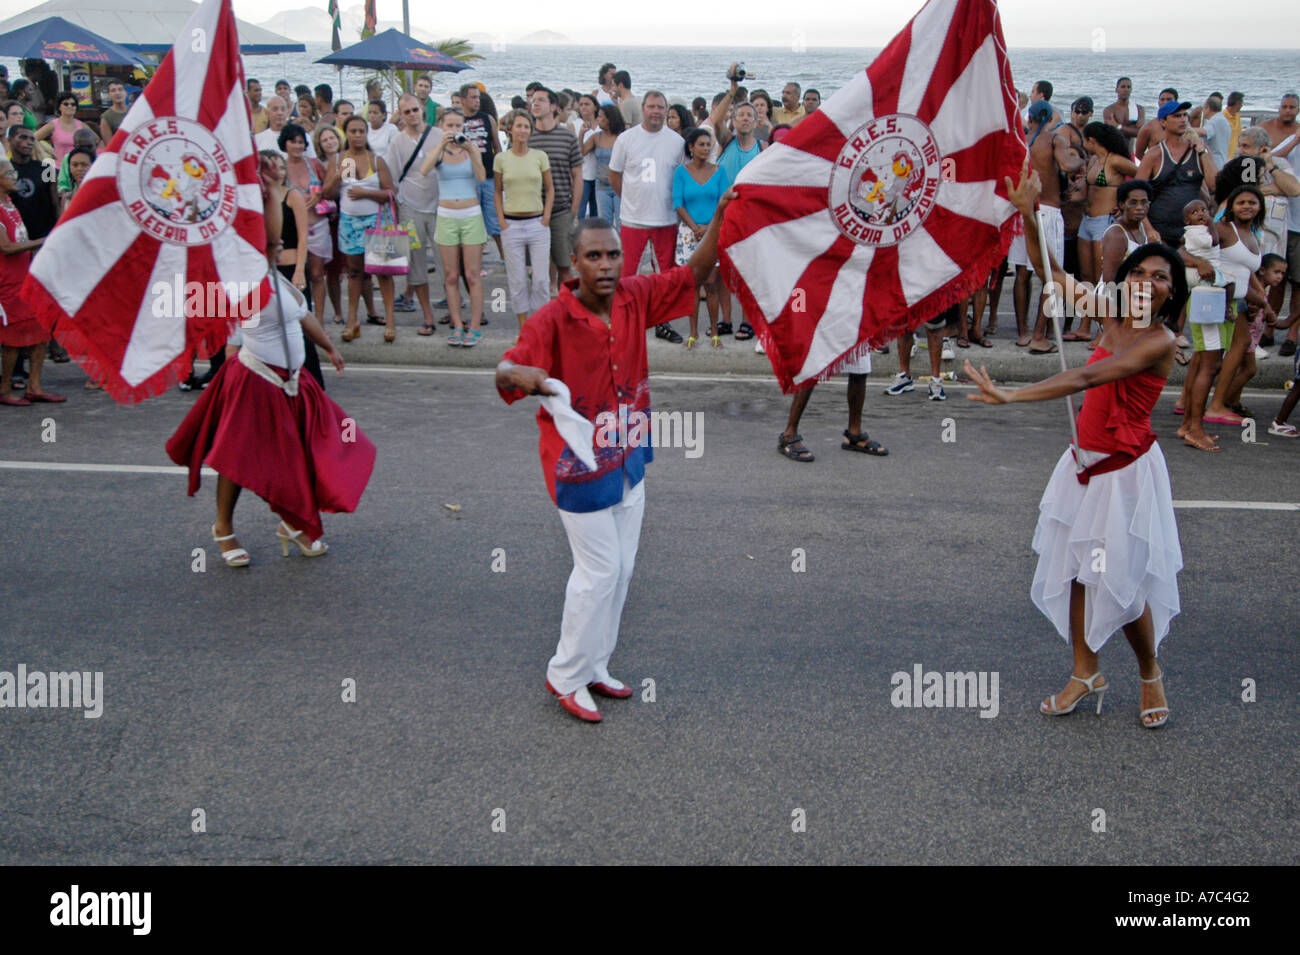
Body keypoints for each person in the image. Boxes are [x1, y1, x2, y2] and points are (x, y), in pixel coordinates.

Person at [494, 199, 735, 723]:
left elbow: (695, 271)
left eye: (613, 255)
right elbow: (505, 369)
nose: (605, 265)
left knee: (622, 571)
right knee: (598, 571)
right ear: (574, 264)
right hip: (577, 470)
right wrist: (524, 376)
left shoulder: (634, 298)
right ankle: (565, 674)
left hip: (628, 460)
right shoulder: (552, 319)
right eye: (594, 256)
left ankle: (595, 664)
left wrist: (720, 215)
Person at [967, 160, 1184, 730]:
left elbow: (1090, 378)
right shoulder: (1110, 310)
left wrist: (1014, 397)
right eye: (1144, 271)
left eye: (1163, 277)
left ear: (1169, 295)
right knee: (1075, 573)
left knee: (1122, 581)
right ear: (1128, 278)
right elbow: (1052, 275)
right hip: (1083, 463)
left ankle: (1149, 671)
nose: (1150, 280)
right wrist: (1027, 218)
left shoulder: (1160, 340)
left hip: (1125, 472)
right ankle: (1085, 672)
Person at [166, 159, 373, 568]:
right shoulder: (237, 279)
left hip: (295, 382)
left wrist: (329, 347)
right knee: (239, 459)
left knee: (315, 450)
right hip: (256, 380)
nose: (277, 247)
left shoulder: (276, 279)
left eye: (277, 245)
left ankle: (290, 522)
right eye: (271, 245)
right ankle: (223, 528)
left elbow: (303, 316)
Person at [610, 91, 685, 343]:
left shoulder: (676, 141)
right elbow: (614, 176)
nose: (656, 111)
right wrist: (632, 201)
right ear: (643, 109)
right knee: (628, 274)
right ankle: (626, 321)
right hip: (633, 219)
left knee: (665, 276)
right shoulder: (626, 139)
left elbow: (684, 176)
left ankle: (662, 323)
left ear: (666, 110)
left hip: (666, 220)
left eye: (660, 107)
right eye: (651, 106)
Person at [1012, 100, 1085, 353]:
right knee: (1051, 279)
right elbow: (1066, 165)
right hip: (1048, 212)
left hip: (1023, 212)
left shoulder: (1020, 141)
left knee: (1023, 273)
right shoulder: (1054, 139)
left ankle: (1022, 332)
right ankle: (1038, 336)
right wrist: (1083, 162)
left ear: (1030, 118)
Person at [419, 108, 487, 346]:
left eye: (458, 126)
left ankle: (475, 326)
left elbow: (481, 177)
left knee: (472, 274)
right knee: (450, 275)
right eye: (449, 125)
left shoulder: (471, 149)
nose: (455, 130)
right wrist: (440, 145)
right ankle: (457, 324)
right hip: (446, 215)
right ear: (441, 126)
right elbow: (424, 170)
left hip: (470, 214)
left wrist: (471, 150)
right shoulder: (437, 150)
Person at [326, 115, 397, 343]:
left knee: (383, 272)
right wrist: (338, 177)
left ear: (366, 134)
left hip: (376, 221)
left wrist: (366, 193)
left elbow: (391, 193)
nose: (357, 135)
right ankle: (352, 321)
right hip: (349, 222)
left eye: (361, 131)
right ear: (346, 133)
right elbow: (327, 194)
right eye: (353, 131)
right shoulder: (339, 160)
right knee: (354, 272)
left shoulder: (376, 161)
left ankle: (390, 321)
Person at [1070, 122, 1140, 342]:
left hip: (1104, 222)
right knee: (1087, 276)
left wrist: (1125, 203)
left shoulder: (1116, 161)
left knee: (1105, 278)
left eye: (1086, 140)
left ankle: (1106, 331)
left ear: (1093, 140)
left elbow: (1141, 177)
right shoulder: (1093, 162)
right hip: (1087, 221)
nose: (1084, 143)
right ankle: (1084, 326)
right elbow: (1084, 192)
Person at [0, 158, 57, 406]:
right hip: (7, 283)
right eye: (8, 172)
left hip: (25, 279)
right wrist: (43, 241)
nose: (14, 176)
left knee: (41, 333)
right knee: (13, 338)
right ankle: (5, 389)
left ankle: (34, 385)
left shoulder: (10, 204)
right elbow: (7, 247)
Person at [385, 93, 441, 335]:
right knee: (416, 264)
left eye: (415, 110)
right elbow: (392, 176)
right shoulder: (397, 142)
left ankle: (454, 310)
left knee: (447, 264)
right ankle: (427, 315)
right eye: (406, 112)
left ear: (423, 110)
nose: (412, 115)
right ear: (401, 115)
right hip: (410, 208)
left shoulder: (439, 135)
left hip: (441, 208)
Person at [495, 109, 554, 336]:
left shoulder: (539, 156)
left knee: (540, 280)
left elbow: (550, 188)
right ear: (510, 130)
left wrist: (546, 217)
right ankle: (523, 329)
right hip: (511, 225)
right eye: (518, 126)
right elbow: (496, 191)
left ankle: (541, 327)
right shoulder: (502, 159)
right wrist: (501, 221)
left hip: (537, 223)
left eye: (526, 126)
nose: (522, 130)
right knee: (517, 279)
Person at [672, 127, 731, 348]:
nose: (706, 148)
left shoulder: (719, 171)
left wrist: (708, 227)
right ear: (691, 147)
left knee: (711, 284)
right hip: (689, 234)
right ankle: (693, 332)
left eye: (709, 145)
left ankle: (715, 331)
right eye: (702, 144)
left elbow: (724, 203)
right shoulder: (681, 172)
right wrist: (695, 227)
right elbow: (678, 202)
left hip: (713, 231)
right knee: (692, 286)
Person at [1135, 100, 1216, 248]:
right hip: (1160, 229)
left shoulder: (1200, 151)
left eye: (1185, 115)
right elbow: (1136, 194)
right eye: (1177, 116)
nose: (1183, 119)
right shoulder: (1155, 155)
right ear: (1163, 122)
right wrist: (1148, 229)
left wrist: (1202, 151)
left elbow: (1214, 185)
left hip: (1192, 230)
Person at [528, 88, 583, 288]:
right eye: (533, 100)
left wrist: (573, 210)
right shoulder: (526, 136)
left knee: (564, 265)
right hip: (531, 212)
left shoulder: (567, 137)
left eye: (541, 100)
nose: (535, 103)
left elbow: (577, 175)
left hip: (561, 211)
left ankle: (567, 310)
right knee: (536, 267)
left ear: (553, 107)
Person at [882, 304, 961, 401]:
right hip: (908, 290)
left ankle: (936, 380)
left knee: (934, 326)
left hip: (930, 290)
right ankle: (904, 376)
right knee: (904, 324)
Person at [460, 83, 503, 260]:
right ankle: (473, 260)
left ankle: (504, 256)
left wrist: (502, 173)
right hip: (466, 178)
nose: (477, 101)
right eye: (473, 97)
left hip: (489, 175)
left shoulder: (488, 119)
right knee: (471, 221)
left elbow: (497, 146)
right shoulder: (457, 120)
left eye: (478, 97)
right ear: (463, 99)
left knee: (494, 219)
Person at [313, 124, 345, 324]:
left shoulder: (347, 159)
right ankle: (338, 312)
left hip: (347, 216)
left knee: (353, 269)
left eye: (332, 138)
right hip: (327, 220)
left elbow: (350, 188)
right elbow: (321, 192)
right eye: (324, 140)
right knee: (332, 272)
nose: (329, 142)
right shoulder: (317, 165)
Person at [34, 92, 94, 163]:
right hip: (60, 168)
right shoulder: (53, 125)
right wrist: (47, 150)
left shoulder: (82, 125)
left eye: (73, 104)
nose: (70, 106)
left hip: (79, 167)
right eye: (66, 104)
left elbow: (96, 140)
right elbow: (33, 138)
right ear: (59, 107)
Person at [591, 103, 624, 229]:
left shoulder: (622, 137)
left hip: (619, 183)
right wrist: (582, 134)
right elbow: (581, 152)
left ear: (609, 119)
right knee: (605, 223)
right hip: (602, 185)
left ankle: (622, 248)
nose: (597, 119)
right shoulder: (597, 137)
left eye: (600, 117)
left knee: (621, 223)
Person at [575, 94, 601, 220]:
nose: (583, 107)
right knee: (580, 211)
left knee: (596, 211)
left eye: (587, 104)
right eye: (581, 104)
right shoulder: (575, 125)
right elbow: (576, 152)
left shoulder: (602, 124)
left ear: (595, 107)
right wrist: (581, 134)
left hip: (599, 173)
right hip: (583, 174)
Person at [1134, 88, 1179, 160]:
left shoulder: (1183, 125)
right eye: (1162, 99)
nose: (1165, 102)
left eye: (1169, 99)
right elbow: (1139, 155)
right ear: (1158, 103)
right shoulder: (1148, 128)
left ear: (1176, 102)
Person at [1103, 77, 1144, 155]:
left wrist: (1118, 127)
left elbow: (1140, 133)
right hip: (1113, 153)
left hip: (1130, 152)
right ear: (1116, 90)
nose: (1126, 89)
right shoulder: (1109, 110)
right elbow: (1110, 133)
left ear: (1131, 89)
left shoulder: (1138, 109)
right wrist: (1131, 129)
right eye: (1123, 87)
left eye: (1128, 87)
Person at [1200, 93, 1230, 168]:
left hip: (1215, 163)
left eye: (1203, 108)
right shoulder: (1222, 119)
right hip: (1222, 161)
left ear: (1208, 108)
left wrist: (1186, 129)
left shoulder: (1216, 121)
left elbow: (1204, 132)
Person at [1224, 92, 1245, 158]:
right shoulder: (1222, 117)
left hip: (1235, 154)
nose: (1242, 105)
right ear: (1237, 103)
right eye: (1241, 103)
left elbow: (1239, 133)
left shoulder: (1237, 115)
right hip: (1225, 155)